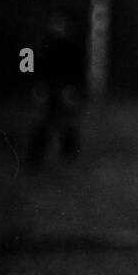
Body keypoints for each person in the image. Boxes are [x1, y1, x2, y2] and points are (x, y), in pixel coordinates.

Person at [26, 11, 85, 171]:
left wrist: (73, 90)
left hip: (66, 90)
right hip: (48, 89)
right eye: (54, 23)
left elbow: (78, 71)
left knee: (67, 124)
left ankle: (69, 155)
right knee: (42, 123)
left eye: (60, 24)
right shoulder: (44, 46)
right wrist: (39, 88)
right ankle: (34, 158)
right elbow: (37, 70)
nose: (57, 27)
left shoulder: (72, 47)